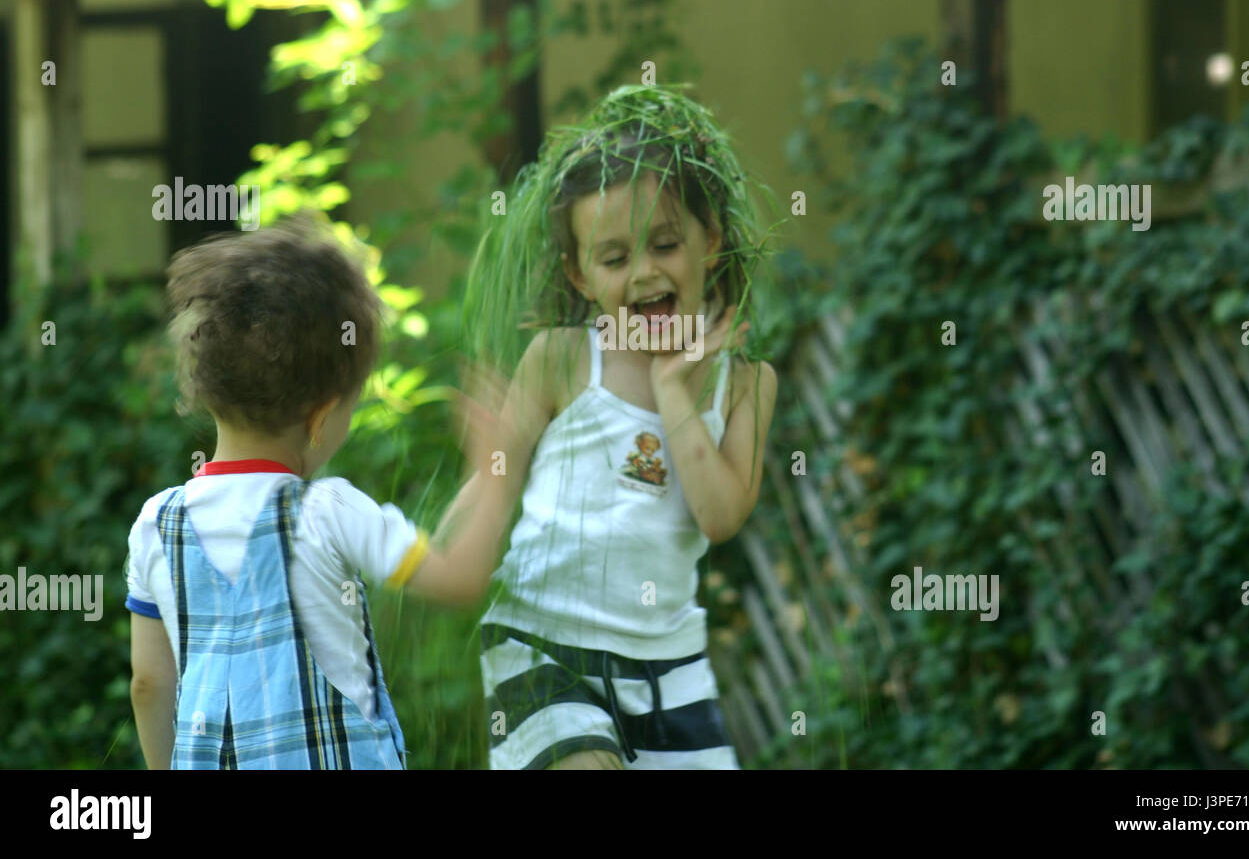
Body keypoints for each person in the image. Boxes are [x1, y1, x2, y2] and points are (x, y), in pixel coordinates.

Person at [449, 84, 779, 769]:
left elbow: (719, 517)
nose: (646, 272)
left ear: (710, 240)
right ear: (580, 276)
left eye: (665, 244)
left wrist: (672, 388)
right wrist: (422, 550)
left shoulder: (746, 383)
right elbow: (492, 487)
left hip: (670, 669)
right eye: (615, 257)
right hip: (542, 646)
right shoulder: (565, 359)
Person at [126, 213, 511, 769]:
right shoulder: (327, 511)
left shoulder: (156, 525)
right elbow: (459, 577)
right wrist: (500, 476)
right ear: (321, 417)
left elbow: (148, 684)